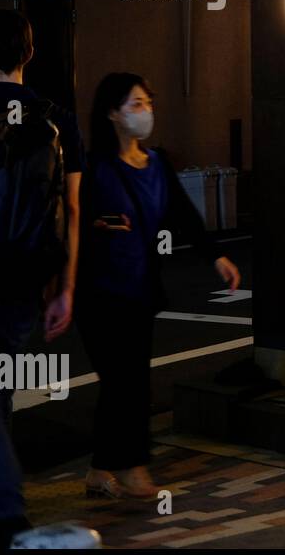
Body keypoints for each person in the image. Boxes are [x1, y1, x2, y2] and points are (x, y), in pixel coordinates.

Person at [77, 73, 240, 498]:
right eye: (135, 104)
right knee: (123, 381)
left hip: (139, 289)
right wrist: (101, 226)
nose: (145, 111)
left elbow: (184, 215)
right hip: (97, 291)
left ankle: (100, 468)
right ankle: (132, 467)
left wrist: (216, 256)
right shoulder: (95, 168)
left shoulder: (157, 164)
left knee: (128, 380)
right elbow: (76, 222)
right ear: (112, 113)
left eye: (148, 102)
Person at [0, 10, 84, 549]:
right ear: (29, 54)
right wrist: (65, 288)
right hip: (27, 283)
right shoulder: (59, 121)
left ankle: (9, 518)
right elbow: (72, 209)